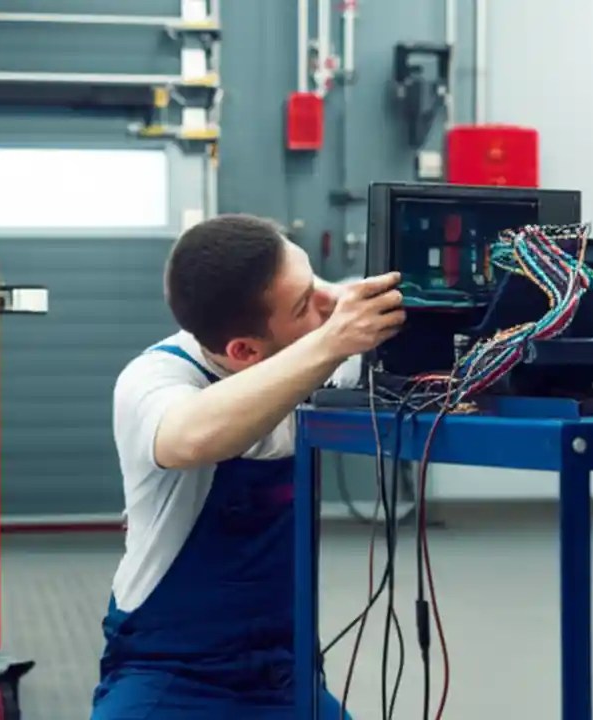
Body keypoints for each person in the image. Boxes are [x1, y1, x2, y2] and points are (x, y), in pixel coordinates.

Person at [90, 214, 405, 719]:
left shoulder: (312, 341)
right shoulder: (156, 377)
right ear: (244, 351)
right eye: (306, 304)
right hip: (171, 670)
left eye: (315, 279)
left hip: (284, 670)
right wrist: (334, 343)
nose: (330, 303)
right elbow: (190, 436)